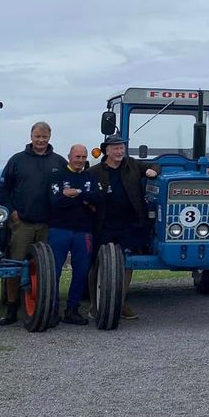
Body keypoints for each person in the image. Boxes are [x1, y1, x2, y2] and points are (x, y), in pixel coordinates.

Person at [0, 121, 65, 326]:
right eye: (37, 136)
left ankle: (47, 308)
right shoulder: (17, 160)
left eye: (44, 137)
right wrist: (11, 212)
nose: (41, 140)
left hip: (48, 224)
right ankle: (11, 308)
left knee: (46, 269)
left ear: (49, 137)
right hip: (22, 223)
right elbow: (3, 189)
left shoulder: (59, 162)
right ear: (31, 136)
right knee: (15, 265)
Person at [89, 133, 158, 321]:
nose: (120, 152)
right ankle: (96, 306)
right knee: (98, 264)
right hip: (105, 225)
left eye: (122, 148)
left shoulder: (133, 165)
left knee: (127, 264)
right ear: (107, 151)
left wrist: (153, 171)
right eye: (116, 148)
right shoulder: (95, 172)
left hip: (129, 225)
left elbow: (155, 165)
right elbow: (86, 192)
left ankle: (119, 302)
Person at [47, 144, 96, 326]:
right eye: (77, 157)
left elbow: (98, 199)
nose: (80, 161)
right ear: (69, 156)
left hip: (83, 231)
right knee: (54, 271)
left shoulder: (90, 176)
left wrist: (76, 193)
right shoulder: (57, 175)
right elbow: (56, 201)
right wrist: (85, 200)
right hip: (60, 229)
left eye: (83, 157)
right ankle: (52, 309)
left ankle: (72, 310)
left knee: (81, 271)